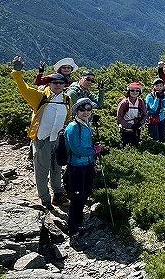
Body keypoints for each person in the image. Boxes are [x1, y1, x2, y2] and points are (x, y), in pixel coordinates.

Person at [11, 56, 71, 207]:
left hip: (57, 140)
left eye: (61, 83)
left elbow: (68, 119)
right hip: (42, 139)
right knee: (42, 171)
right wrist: (17, 73)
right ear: (49, 83)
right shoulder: (40, 97)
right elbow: (24, 89)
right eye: (55, 82)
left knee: (57, 169)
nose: (58, 85)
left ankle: (58, 195)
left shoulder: (67, 100)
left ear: (65, 85)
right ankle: (45, 199)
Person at [64, 97, 102, 236]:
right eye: (82, 109)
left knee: (84, 193)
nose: (86, 112)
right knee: (78, 197)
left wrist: (93, 151)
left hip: (87, 164)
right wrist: (94, 151)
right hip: (77, 166)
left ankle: (78, 224)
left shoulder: (85, 124)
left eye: (88, 109)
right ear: (76, 111)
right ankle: (73, 227)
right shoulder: (73, 127)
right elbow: (77, 150)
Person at [117, 83, 146, 147]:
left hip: (136, 127)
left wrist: (140, 123)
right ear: (129, 91)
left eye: (137, 91)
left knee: (136, 145)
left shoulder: (140, 102)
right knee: (125, 145)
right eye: (132, 90)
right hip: (125, 128)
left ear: (139, 92)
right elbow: (119, 118)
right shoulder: (124, 103)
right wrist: (130, 126)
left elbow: (145, 114)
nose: (134, 92)